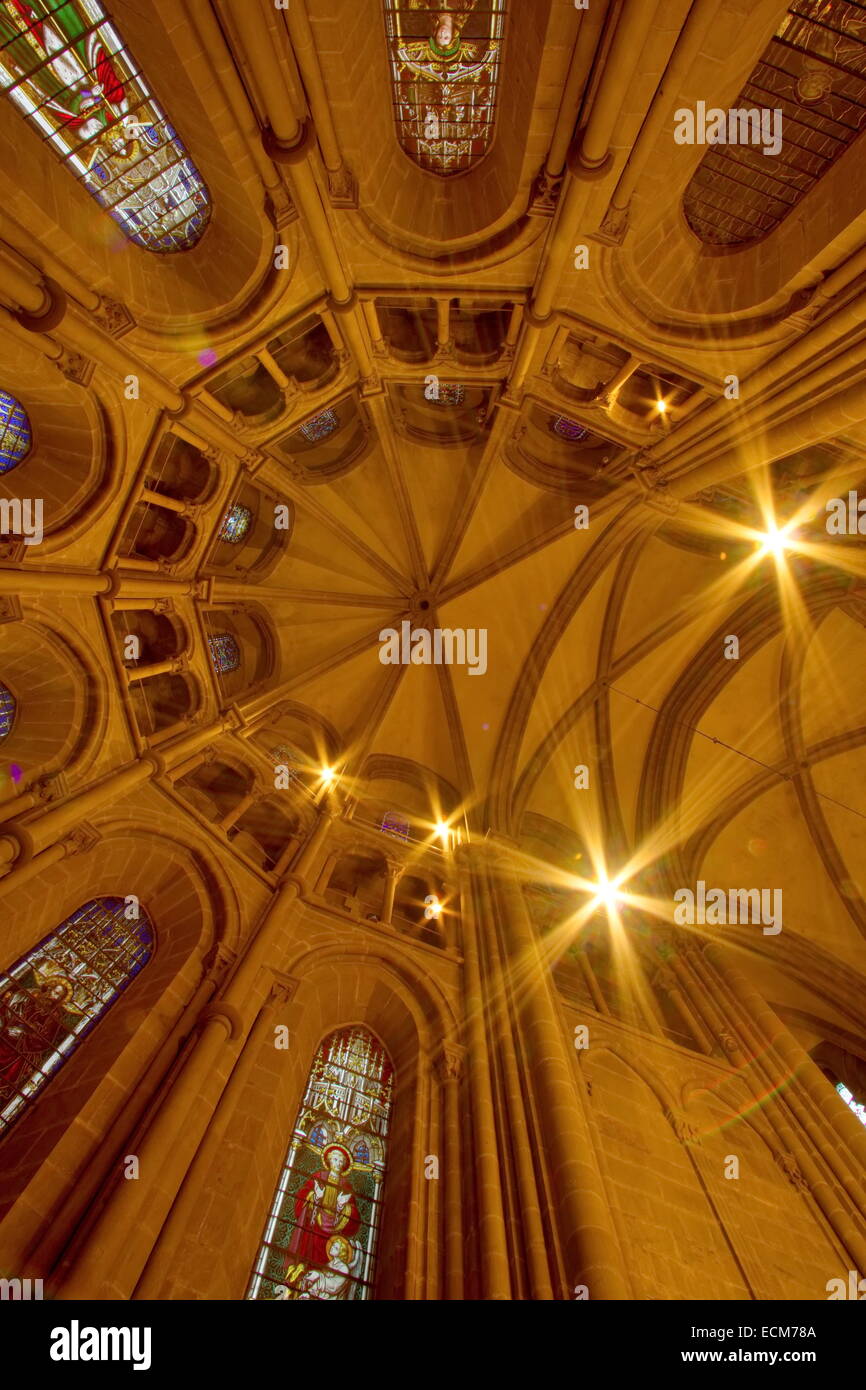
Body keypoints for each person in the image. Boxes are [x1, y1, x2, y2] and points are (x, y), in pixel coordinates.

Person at [287, 1145, 360, 1272]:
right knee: (307, 1253)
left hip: (333, 1230)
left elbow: (354, 1216)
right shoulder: (319, 1176)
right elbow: (302, 1195)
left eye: (341, 1161)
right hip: (314, 1223)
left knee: (325, 1260)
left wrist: (342, 1206)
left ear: (344, 1166)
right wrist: (315, 1196)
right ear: (330, 1160)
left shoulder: (346, 1185)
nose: (338, 1163)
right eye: (336, 1160)